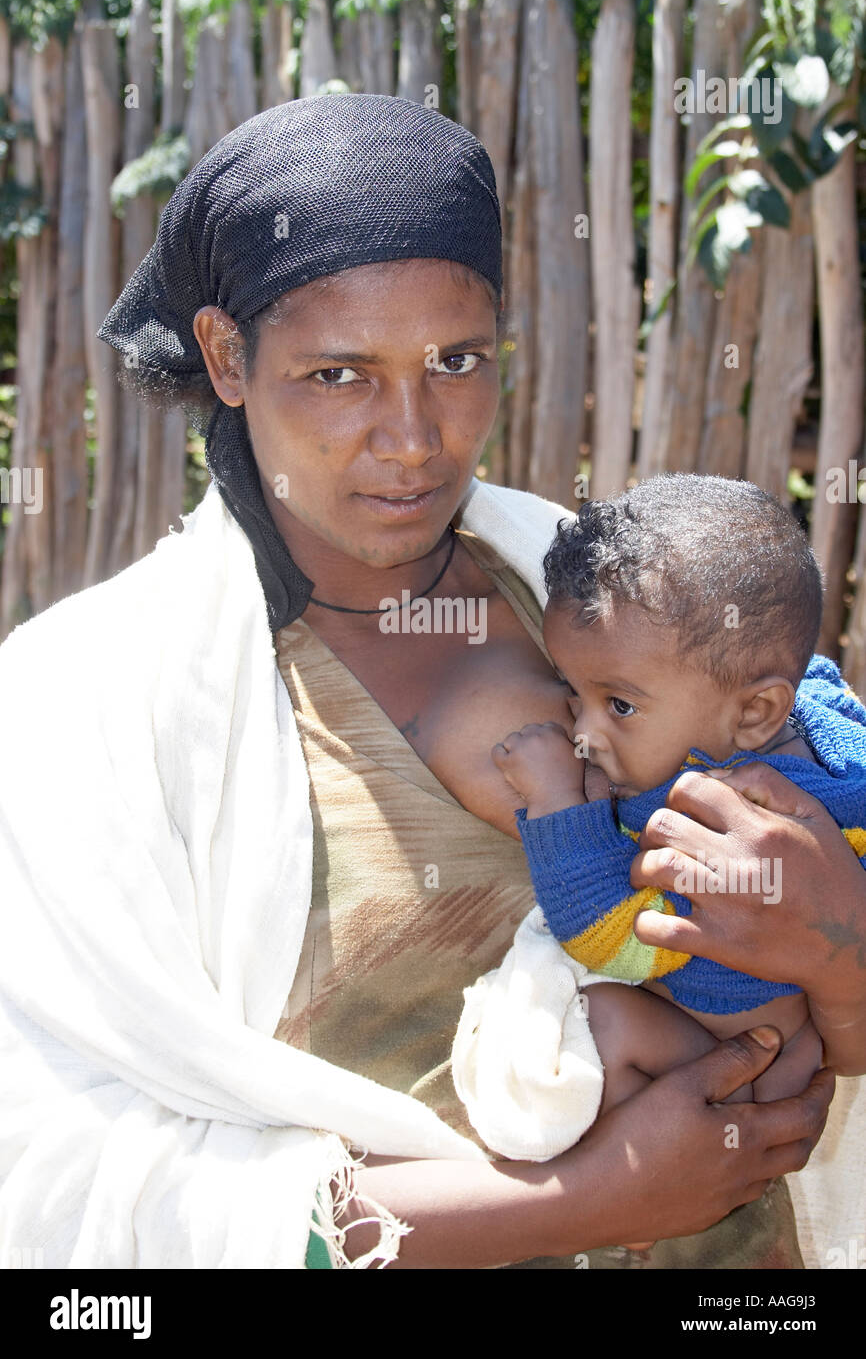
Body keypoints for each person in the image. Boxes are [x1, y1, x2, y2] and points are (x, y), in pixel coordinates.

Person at [0, 92, 858, 1270]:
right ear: (225, 357)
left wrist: (841, 945)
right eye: (339, 373)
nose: (412, 436)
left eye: (455, 361)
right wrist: (581, 1202)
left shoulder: (636, 608)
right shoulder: (86, 701)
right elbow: (63, 1168)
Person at [451, 476, 866, 1193]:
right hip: (797, 1053)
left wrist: (557, 806)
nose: (583, 732)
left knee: (598, 1027)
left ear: (758, 712)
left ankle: (614, 1205)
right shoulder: (829, 751)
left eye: (618, 704)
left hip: (736, 1078)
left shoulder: (720, 821)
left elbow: (611, 935)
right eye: (573, 693)